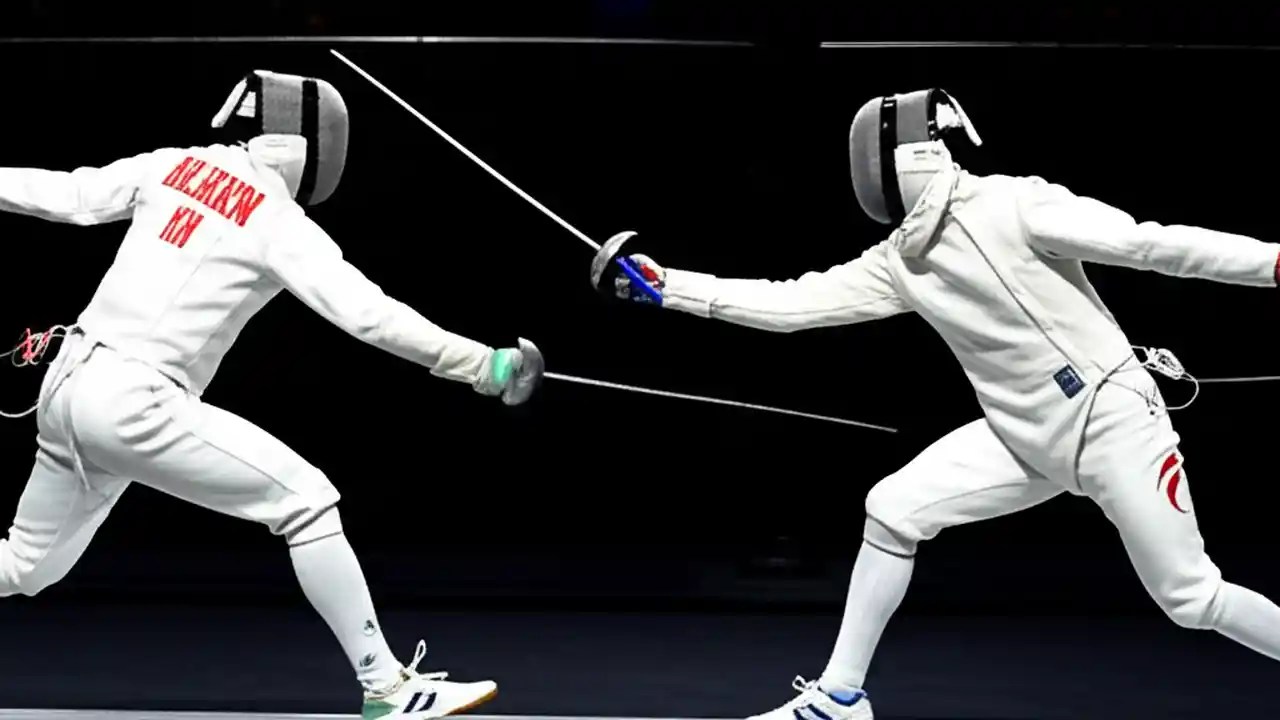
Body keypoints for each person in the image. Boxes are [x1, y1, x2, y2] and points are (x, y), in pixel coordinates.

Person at [591, 88, 1280, 719]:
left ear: (911, 154)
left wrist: (1274, 263)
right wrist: (671, 287)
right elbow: (791, 303)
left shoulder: (1016, 204)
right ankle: (839, 698)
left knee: (1190, 599)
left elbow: (1149, 243)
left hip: (1113, 426)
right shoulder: (900, 260)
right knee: (892, 509)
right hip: (1023, 438)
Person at [0, 69, 543, 719]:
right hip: (132, 401)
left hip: (66, 381)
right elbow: (369, 316)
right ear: (307, 141)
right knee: (307, 500)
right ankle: (388, 687)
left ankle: (390, 687)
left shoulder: (173, 164)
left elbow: (71, 195)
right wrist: (484, 366)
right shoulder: (275, 219)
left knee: (26, 567)